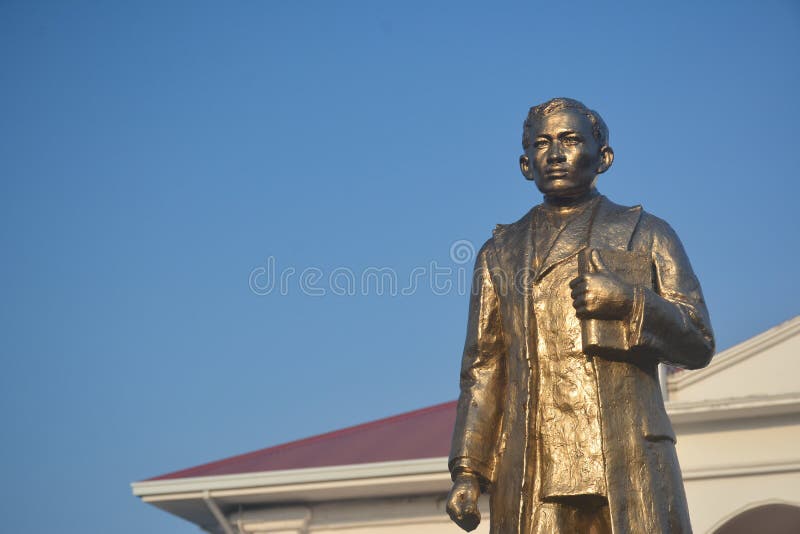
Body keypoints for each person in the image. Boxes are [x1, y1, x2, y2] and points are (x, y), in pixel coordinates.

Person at [446, 98, 714, 534]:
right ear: (525, 164)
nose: (555, 154)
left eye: (570, 140)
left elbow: (699, 339)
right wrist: (468, 470)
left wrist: (630, 302)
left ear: (603, 157)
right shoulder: (500, 252)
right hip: (533, 457)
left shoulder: (647, 233)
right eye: (542, 143)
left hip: (624, 450)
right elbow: (483, 366)